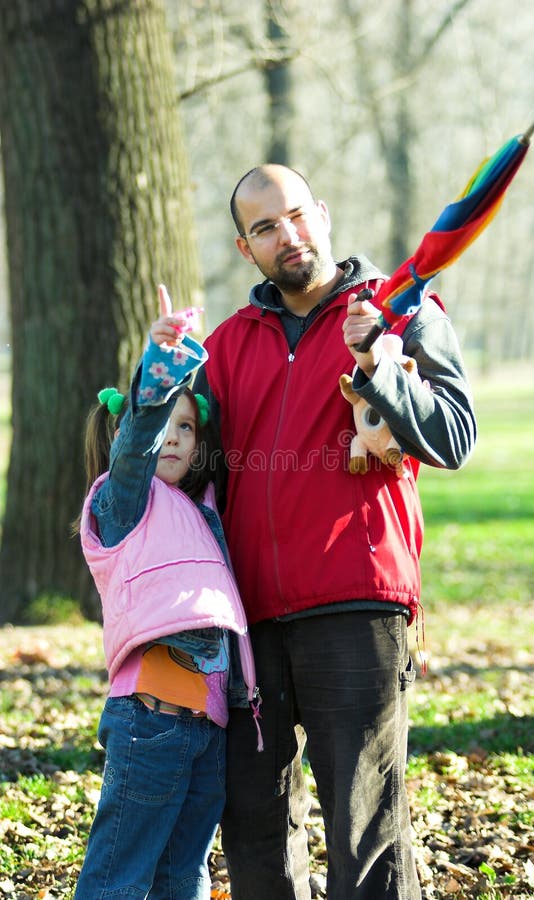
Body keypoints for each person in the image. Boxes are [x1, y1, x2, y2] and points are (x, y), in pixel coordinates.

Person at [193, 164, 477, 900]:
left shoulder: (400, 309)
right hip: (248, 620)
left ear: (321, 212)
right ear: (243, 247)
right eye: (264, 227)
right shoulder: (225, 347)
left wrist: (380, 364)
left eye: (294, 215)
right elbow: (193, 473)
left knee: (365, 831)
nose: (286, 236)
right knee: (253, 829)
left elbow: (454, 435)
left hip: (356, 604)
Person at [74, 287, 261, 900]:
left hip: (206, 731)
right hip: (149, 720)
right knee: (119, 876)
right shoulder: (122, 501)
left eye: (188, 425)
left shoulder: (203, 512)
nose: (175, 436)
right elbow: (137, 447)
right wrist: (160, 372)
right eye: (164, 425)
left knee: (185, 874)